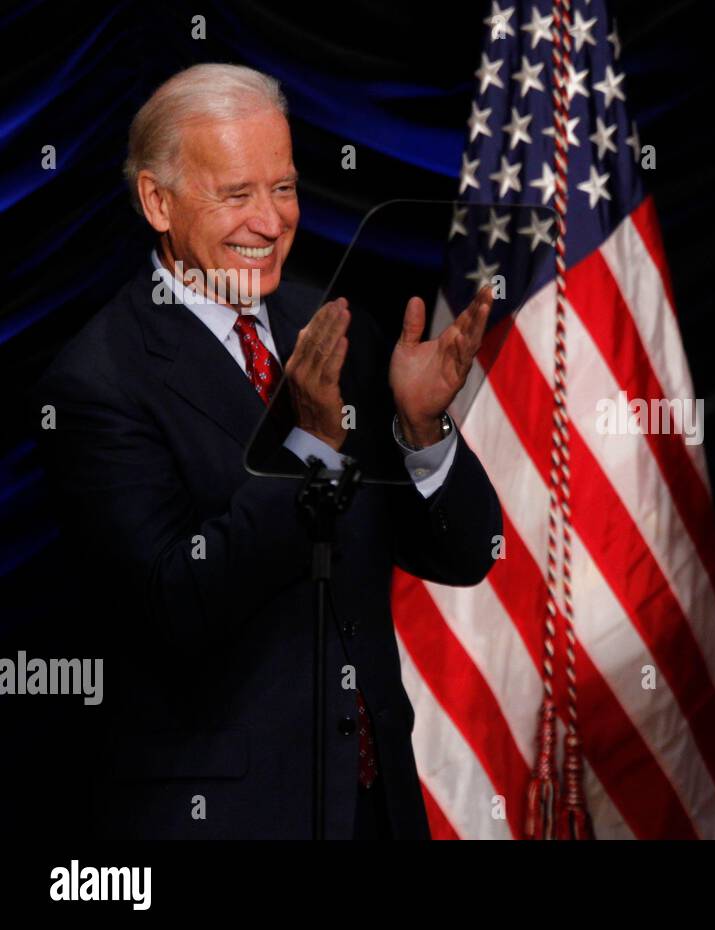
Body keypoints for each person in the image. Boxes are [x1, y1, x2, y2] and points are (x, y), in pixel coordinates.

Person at [32, 63, 502, 838]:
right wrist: (309, 448)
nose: (270, 221)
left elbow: (464, 554)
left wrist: (423, 432)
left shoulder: (330, 324)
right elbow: (176, 606)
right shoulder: (97, 382)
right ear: (158, 201)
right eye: (236, 194)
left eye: (282, 188)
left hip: (373, 810)